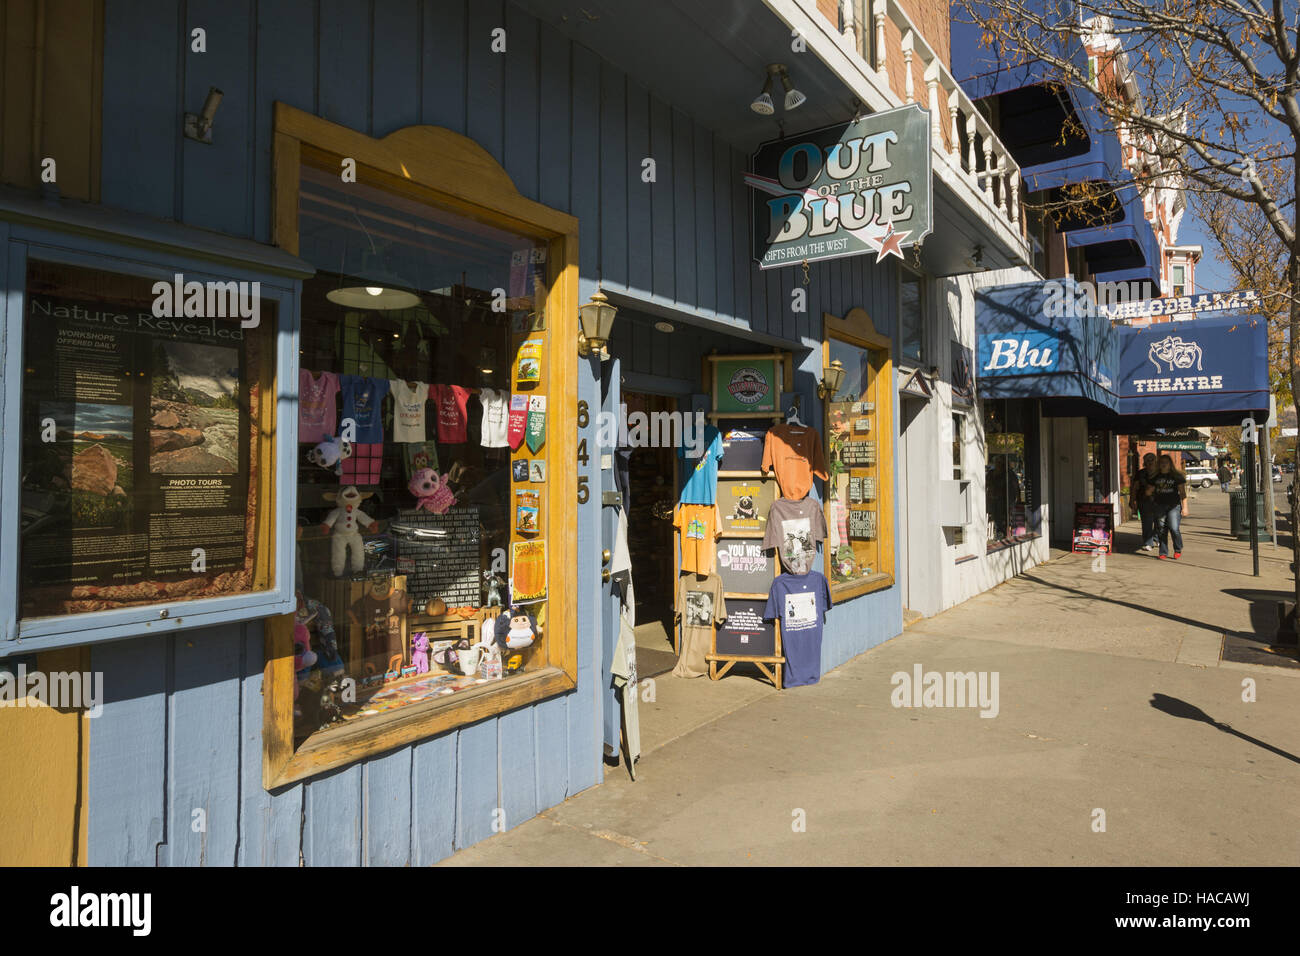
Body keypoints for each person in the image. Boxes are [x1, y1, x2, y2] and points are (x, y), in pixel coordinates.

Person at [1151, 453, 1189, 559]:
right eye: (1161, 463)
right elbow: (1150, 490)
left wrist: (1185, 507)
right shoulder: (1155, 477)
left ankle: (1178, 548)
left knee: (1174, 528)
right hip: (1159, 505)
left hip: (1174, 506)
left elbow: (1182, 493)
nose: (1163, 465)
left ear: (1170, 464)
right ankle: (1163, 552)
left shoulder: (1176, 476)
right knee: (1161, 529)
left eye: (1166, 463)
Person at [1132, 453, 1160, 552]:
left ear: (1156, 461)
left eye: (1152, 459)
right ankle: (1148, 542)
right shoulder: (1140, 473)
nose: (1150, 462)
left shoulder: (1161, 473)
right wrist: (1133, 501)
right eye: (1148, 460)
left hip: (1159, 501)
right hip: (1144, 501)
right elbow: (1135, 488)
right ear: (1144, 462)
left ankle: (1156, 537)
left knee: (1159, 522)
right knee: (1147, 522)